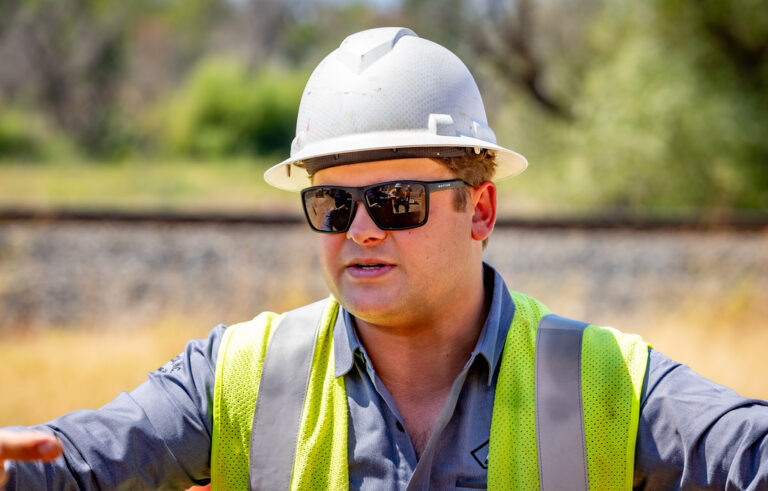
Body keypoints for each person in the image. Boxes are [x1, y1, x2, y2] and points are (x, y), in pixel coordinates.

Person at [2, 26, 767, 490]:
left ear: (482, 210)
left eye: (398, 199)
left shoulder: (605, 382)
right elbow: (76, 461)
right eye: (332, 204)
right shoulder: (239, 376)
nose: (360, 230)